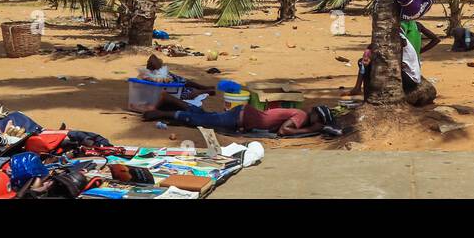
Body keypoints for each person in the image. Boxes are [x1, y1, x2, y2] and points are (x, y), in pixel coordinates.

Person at [139, 95, 336, 136]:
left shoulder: (300, 114)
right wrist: (312, 129)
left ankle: (172, 101)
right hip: (239, 117)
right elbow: (285, 131)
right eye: (320, 120)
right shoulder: (301, 116)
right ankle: (161, 112)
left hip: (242, 114)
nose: (319, 123)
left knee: (206, 116)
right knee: (200, 121)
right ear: (315, 117)